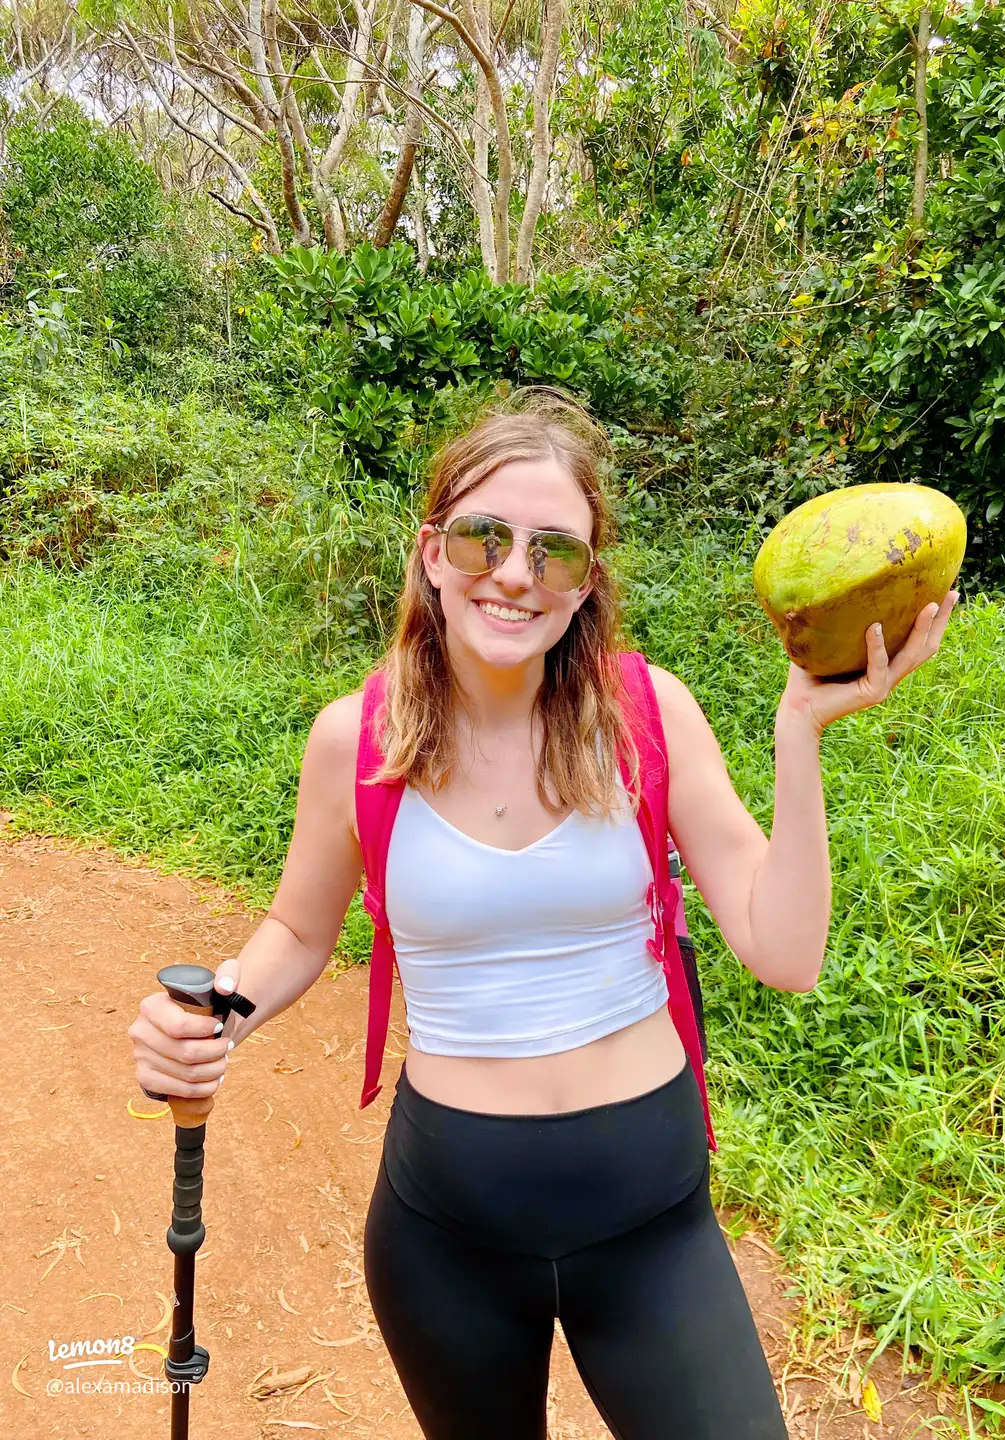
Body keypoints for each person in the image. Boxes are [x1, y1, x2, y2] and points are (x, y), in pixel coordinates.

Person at [129, 392, 959, 1440]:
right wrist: (217, 1016)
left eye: (553, 551)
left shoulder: (651, 712)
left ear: (586, 584)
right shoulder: (357, 738)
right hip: (447, 1237)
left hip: (651, 1222)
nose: (514, 573)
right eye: (484, 537)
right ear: (432, 553)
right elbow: (299, 930)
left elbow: (785, 953)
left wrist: (802, 728)